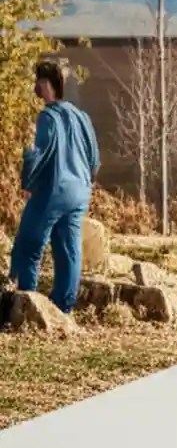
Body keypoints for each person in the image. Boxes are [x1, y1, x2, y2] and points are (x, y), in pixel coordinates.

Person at [10, 61, 99, 314]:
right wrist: (86, 181)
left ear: (47, 85)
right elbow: (94, 158)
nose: (35, 87)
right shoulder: (82, 118)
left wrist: (27, 182)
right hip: (79, 191)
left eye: (38, 81)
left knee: (28, 245)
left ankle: (25, 303)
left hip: (53, 190)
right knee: (69, 250)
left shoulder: (47, 117)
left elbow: (38, 152)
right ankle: (63, 308)